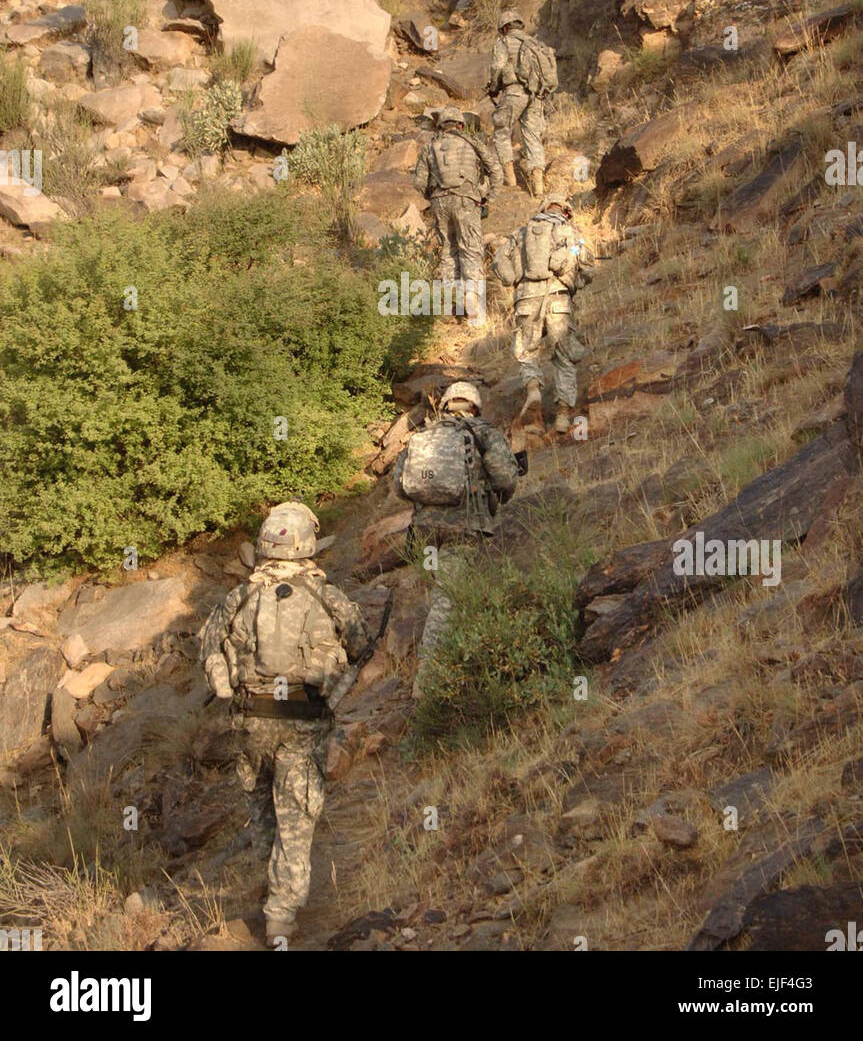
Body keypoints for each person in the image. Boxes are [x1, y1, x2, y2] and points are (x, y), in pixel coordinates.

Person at [199, 501, 370, 947]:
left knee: (263, 814)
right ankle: (280, 918)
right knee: (296, 816)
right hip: (301, 721)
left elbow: (208, 645)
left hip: (249, 722)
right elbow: (361, 642)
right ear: (306, 544)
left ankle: (269, 892)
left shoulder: (241, 596)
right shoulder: (323, 595)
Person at [392, 381, 519, 693]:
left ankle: (453, 660)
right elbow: (505, 478)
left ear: (446, 404)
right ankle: (428, 680)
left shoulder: (422, 436)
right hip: (463, 528)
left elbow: (399, 486)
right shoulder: (482, 432)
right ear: (474, 405)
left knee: (443, 591)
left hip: (425, 532)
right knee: (447, 599)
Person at [492, 193, 594, 435]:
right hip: (558, 300)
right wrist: (576, 281)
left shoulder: (521, 233)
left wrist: (516, 279)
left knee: (527, 352)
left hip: (526, 300)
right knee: (563, 357)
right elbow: (588, 267)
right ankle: (562, 415)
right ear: (565, 212)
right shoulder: (570, 233)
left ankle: (534, 390)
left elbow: (499, 261)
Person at [413, 105, 502, 324]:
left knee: (447, 251)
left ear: (441, 126)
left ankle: (448, 307)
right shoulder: (473, 142)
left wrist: (433, 197)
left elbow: (419, 182)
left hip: (440, 202)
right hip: (466, 200)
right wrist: (487, 197)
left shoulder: (429, 147)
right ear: (460, 125)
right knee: (470, 249)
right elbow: (496, 171)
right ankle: (472, 304)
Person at [488, 10, 558, 196]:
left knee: (501, 130)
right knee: (532, 136)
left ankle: (510, 178)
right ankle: (538, 185)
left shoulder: (503, 42)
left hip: (514, 92)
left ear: (504, 28)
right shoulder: (535, 43)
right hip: (536, 95)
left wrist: (494, 86)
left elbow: (497, 66)